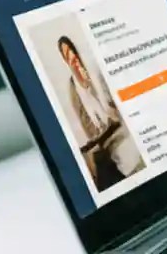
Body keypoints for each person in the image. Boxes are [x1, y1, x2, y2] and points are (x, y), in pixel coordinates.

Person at [58, 35, 144, 190]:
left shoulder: (96, 70)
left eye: (72, 53)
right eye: (67, 57)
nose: (72, 59)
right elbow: (88, 126)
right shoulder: (74, 87)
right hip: (108, 141)